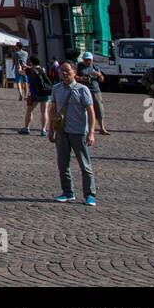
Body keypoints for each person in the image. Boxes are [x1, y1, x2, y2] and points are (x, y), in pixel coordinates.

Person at [48, 60, 97, 205]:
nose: (64, 73)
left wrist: (92, 132)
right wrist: (51, 129)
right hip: (62, 131)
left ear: (74, 72)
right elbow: (53, 110)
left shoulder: (82, 89)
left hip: (79, 132)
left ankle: (90, 194)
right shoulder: (56, 88)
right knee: (63, 164)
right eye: (62, 71)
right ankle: (68, 192)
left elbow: (91, 112)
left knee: (84, 164)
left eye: (67, 71)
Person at [76, 53, 110, 135]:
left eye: (90, 60)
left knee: (99, 109)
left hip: (95, 90)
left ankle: (102, 128)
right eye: (86, 60)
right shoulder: (79, 66)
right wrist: (82, 78)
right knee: (84, 110)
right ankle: (86, 128)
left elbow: (102, 80)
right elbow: (74, 77)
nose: (88, 61)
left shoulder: (95, 67)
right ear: (83, 59)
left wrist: (99, 75)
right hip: (83, 90)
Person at [20, 55, 51, 136]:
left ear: (31, 62)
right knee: (44, 111)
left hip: (34, 94)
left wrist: (20, 67)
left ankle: (27, 128)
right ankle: (43, 130)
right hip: (44, 92)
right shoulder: (42, 69)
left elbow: (20, 72)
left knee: (29, 110)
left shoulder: (29, 70)